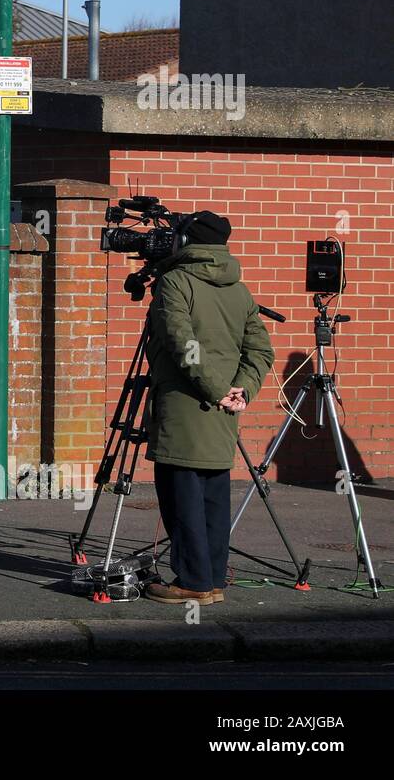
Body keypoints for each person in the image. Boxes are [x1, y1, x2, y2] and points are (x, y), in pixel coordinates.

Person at [143, 210, 275, 605]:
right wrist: (241, 391)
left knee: (182, 499)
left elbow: (182, 343)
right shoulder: (240, 290)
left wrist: (217, 390)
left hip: (185, 409)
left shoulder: (174, 283)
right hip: (223, 415)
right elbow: (261, 350)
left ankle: (193, 582)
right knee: (214, 499)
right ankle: (212, 579)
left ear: (186, 243)